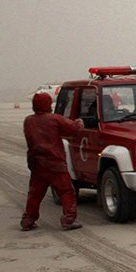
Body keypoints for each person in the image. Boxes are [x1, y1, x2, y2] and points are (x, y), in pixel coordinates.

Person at [21, 92, 85, 231]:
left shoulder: (28, 121)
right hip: (55, 164)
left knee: (35, 194)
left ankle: (28, 219)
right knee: (66, 191)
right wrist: (80, 122)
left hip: (37, 164)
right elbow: (73, 128)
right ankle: (68, 219)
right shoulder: (54, 119)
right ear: (47, 104)